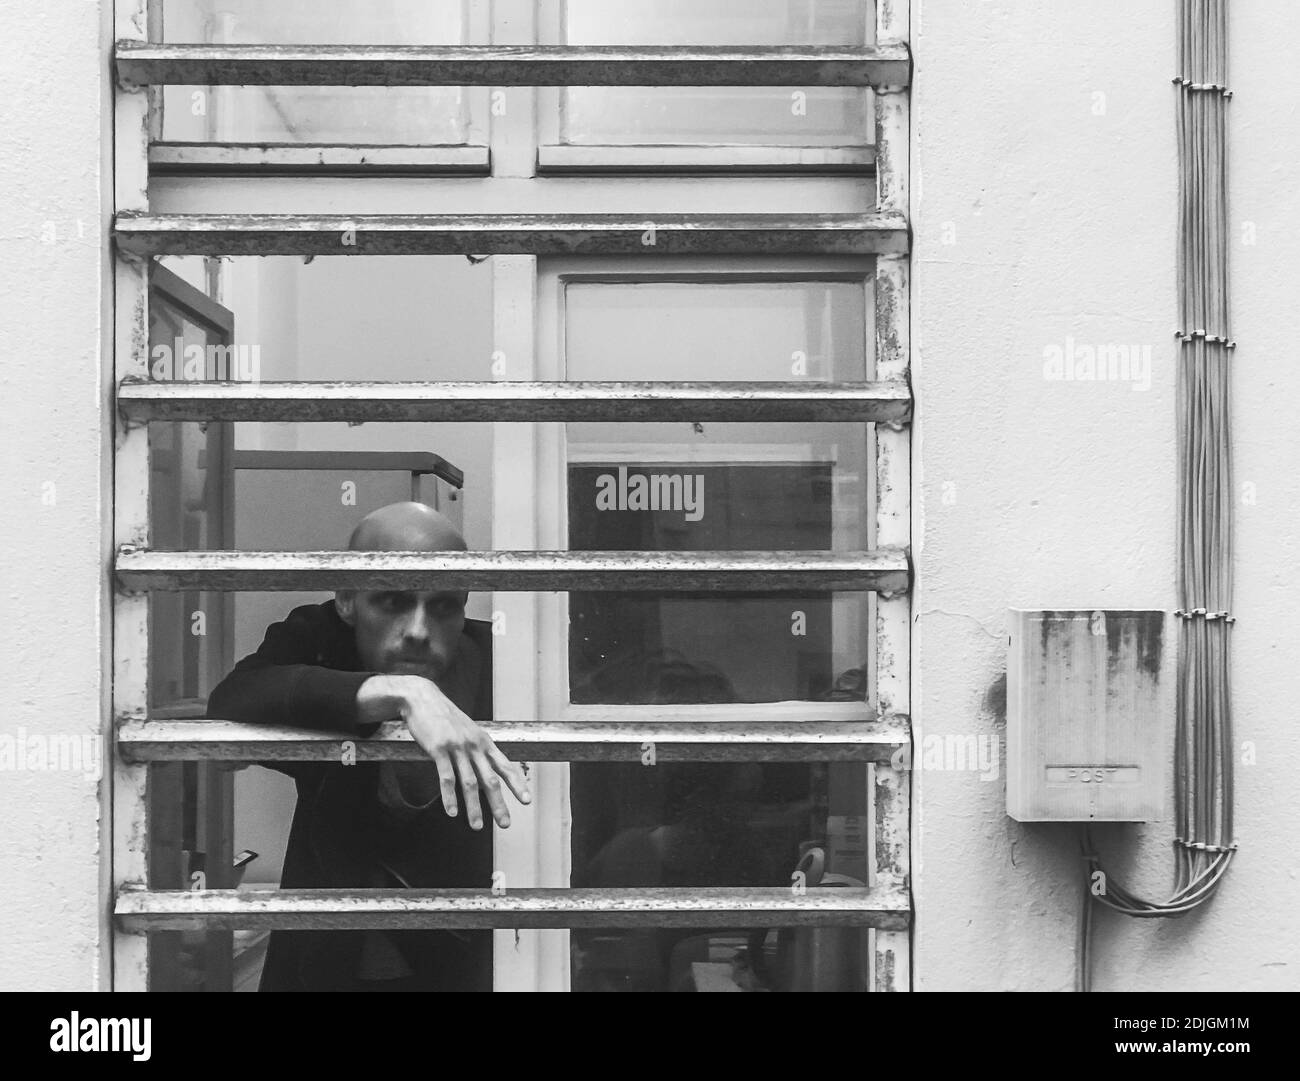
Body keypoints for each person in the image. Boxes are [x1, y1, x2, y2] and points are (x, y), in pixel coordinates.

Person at [207, 502, 530, 991]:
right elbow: (234, 700)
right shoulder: (320, 641)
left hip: (461, 959)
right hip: (332, 954)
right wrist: (398, 692)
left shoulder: (500, 668)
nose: (419, 631)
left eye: (444, 606)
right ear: (346, 599)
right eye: (393, 602)